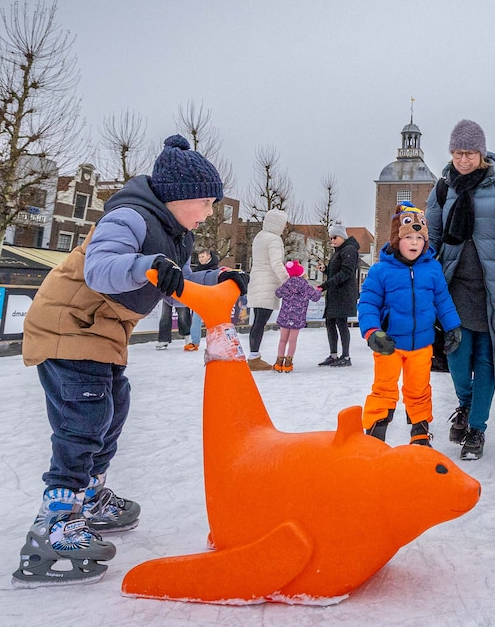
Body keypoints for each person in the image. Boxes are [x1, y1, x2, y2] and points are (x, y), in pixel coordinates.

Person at [14, 135, 248, 587]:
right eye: (206, 201)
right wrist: (147, 265)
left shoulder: (175, 234)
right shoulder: (128, 216)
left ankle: (90, 495)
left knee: (112, 412)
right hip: (70, 327)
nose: (210, 211)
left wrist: (215, 277)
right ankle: (55, 519)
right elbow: (102, 268)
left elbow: (170, 279)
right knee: (84, 420)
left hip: (101, 333)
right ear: (179, 197)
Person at [426, 119, 495, 461]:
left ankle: (476, 428)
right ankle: (465, 404)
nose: (463, 160)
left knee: (486, 359)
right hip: (455, 285)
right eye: (458, 153)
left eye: (470, 153)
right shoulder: (443, 188)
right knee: (458, 355)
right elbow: (431, 237)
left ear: (482, 153)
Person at [358, 205, 461, 447]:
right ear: (396, 240)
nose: (414, 243)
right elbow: (368, 304)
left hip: (422, 343)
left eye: (419, 238)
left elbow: (443, 301)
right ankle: (375, 432)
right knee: (384, 388)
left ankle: (420, 433)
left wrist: (452, 327)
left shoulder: (432, 268)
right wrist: (372, 332)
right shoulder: (381, 270)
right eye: (407, 237)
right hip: (388, 343)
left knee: (419, 389)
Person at [246, 209, 290, 371]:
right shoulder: (274, 239)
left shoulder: (260, 237)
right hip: (268, 284)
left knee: (257, 321)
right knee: (260, 322)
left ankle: (253, 354)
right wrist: (287, 280)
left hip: (257, 281)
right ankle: (254, 357)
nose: (285, 227)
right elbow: (276, 263)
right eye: (284, 223)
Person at [318, 223, 360, 367]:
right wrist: (326, 270)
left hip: (343, 293)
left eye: (334, 237)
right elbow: (336, 271)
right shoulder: (339, 251)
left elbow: (346, 272)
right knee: (330, 322)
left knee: (341, 323)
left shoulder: (349, 250)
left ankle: (346, 356)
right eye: (330, 238)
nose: (332, 241)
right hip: (335, 292)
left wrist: (325, 285)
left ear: (342, 236)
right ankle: (333, 354)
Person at [272, 260, 320, 372]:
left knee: (282, 340)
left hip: (285, 315)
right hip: (297, 317)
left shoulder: (287, 284)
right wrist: (318, 290)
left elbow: (278, 293)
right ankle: (288, 364)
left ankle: (279, 363)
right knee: (292, 341)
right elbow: (315, 297)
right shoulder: (305, 285)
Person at [184, 248, 219, 351]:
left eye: (203, 256)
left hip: (211, 298)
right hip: (199, 298)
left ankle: (215, 343)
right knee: (195, 320)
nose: (200, 259)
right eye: (199, 257)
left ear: (209, 256)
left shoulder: (215, 269)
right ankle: (194, 342)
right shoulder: (196, 270)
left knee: (212, 322)